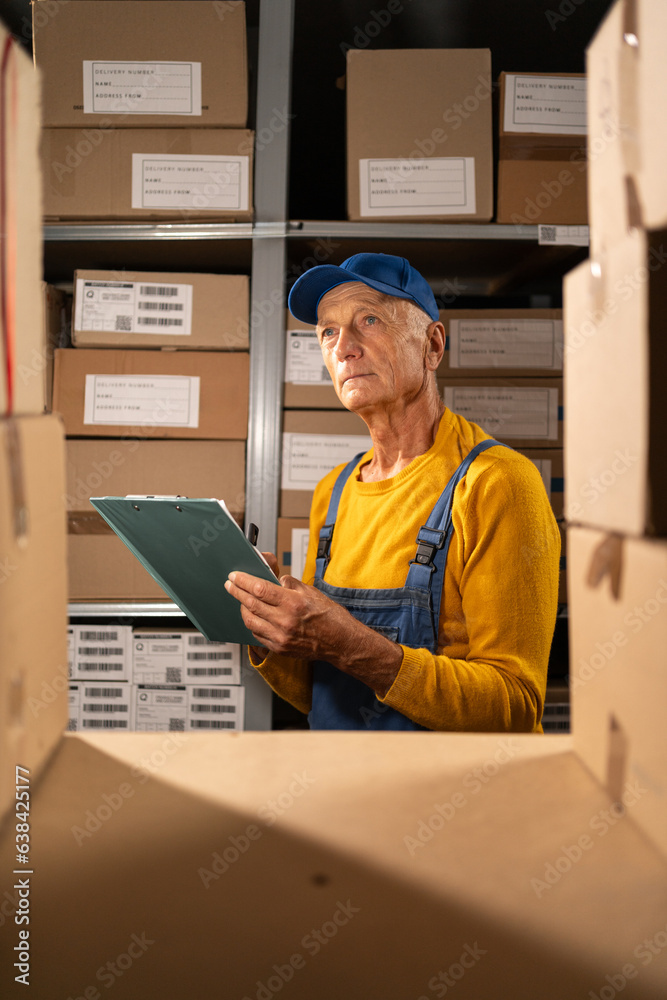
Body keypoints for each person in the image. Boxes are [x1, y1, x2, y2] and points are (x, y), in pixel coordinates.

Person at [224, 253, 561, 732]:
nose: (344, 348)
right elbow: (314, 693)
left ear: (432, 345)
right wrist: (266, 631)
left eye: (369, 319)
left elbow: (514, 707)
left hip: (457, 795)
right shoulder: (333, 493)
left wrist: (350, 645)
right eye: (328, 332)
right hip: (345, 788)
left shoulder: (497, 484)